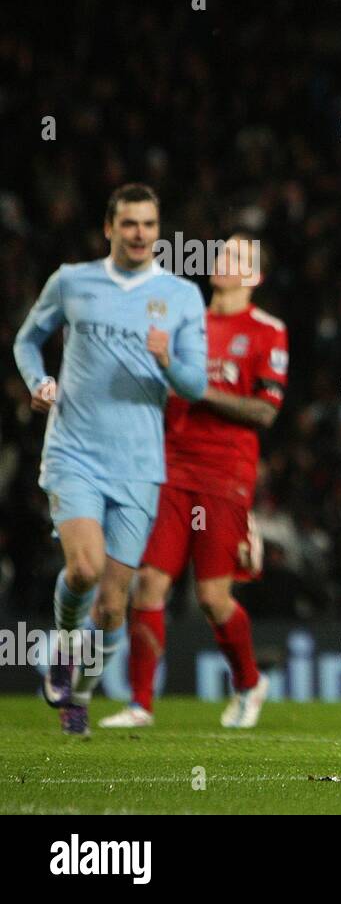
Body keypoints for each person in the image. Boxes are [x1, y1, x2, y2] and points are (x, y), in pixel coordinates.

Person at [13, 183, 208, 736]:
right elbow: (27, 340)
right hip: (74, 450)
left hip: (140, 464)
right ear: (109, 228)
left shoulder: (181, 295)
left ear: (159, 230)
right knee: (84, 568)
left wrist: (168, 361)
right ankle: (62, 649)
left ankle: (79, 691)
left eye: (149, 224)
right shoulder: (73, 281)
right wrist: (39, 381)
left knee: (114, 607)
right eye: (129, 224)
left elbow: (194, 386)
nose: (140, 234)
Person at [101, 234, 286, 729]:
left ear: (255, 276)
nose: (224, 261)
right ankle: (141, 705)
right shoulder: (184, 322)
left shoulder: (267, 331)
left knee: (212, 598)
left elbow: (265, 411)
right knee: (148, 584)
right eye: (222, 253)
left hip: (226, 476)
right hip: (171, 469)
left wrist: (194, 386)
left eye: (238, 257)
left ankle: (249, 683)